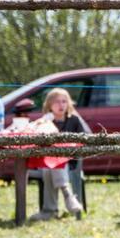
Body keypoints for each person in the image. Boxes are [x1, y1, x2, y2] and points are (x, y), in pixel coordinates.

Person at [28, 88, 89, 221]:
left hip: (70, 161)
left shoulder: (74, 120)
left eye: (64, 101)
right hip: (46, 161)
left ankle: (49, 211)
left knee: (53, 166)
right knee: (50, 167)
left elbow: (84, 140)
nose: (61, 105)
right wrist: (40, 125)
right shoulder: (45, 121)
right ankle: (68, 195)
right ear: (49, 105)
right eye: (57, 102)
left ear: (68, 104)